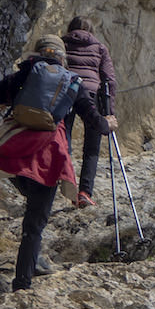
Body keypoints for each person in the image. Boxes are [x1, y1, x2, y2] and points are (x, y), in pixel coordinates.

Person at [0, 35, 110, 291]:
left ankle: (31, 262)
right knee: (34, 225)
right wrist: (109, 124)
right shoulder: (73, 82)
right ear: (63, 58)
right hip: (51, 155)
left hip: (18, 149)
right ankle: (22, 282)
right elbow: (94, 121)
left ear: (38, 54)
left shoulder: (26, 73)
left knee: (25, 187)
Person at [59, 16, 118, 207]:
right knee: (91, 147)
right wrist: (109, 111)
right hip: (90, 94)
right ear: (91, 30)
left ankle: (66, 181)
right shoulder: (100, 47)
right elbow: (109, 80)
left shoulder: (61, 42)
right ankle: (85, 192)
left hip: (66, 91)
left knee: (63, 138)